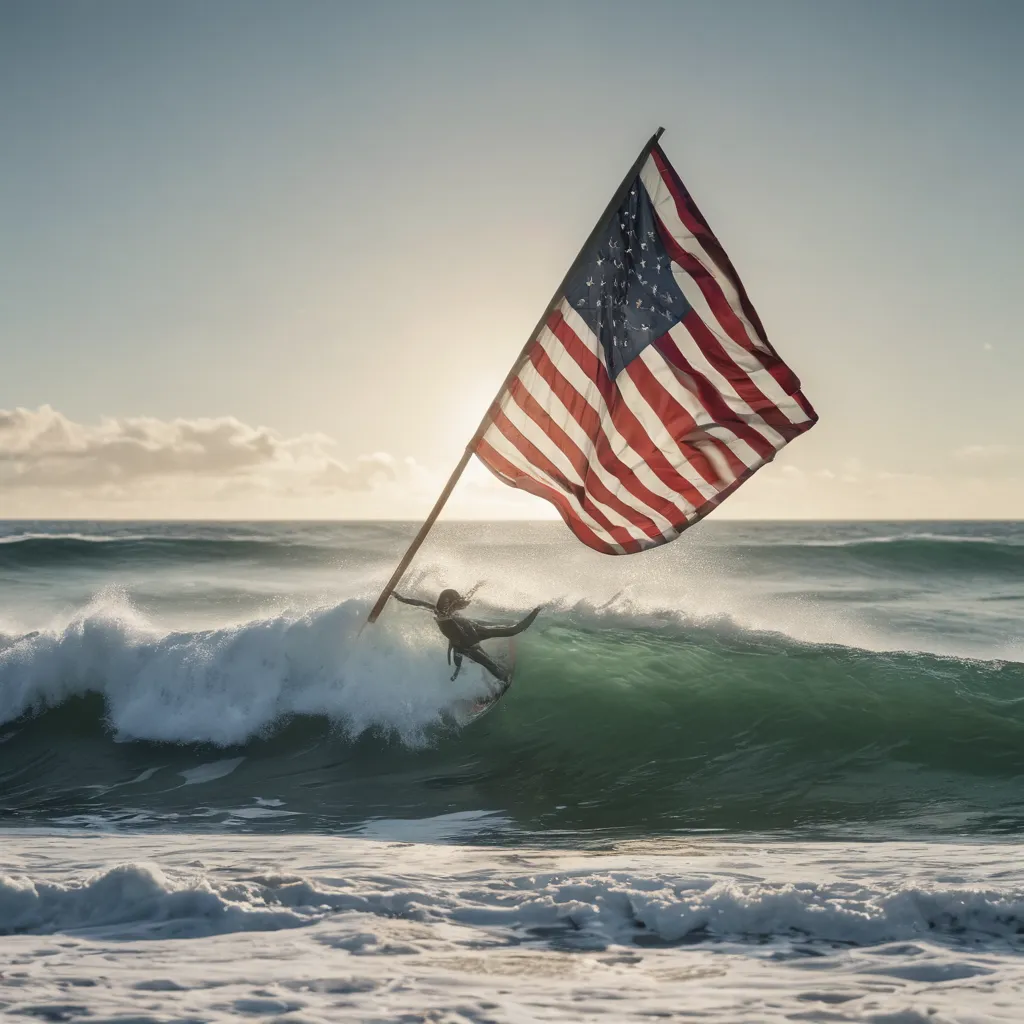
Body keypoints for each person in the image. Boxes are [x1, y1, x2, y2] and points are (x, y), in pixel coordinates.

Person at [393, 585, 541, 683]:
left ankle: (537, 609)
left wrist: (476, 587)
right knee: (493, 667)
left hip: (474, 631)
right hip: (466, 646)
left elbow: (417, 602)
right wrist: (401, 598)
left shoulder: (440, 609)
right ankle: (505, 680)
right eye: (454, 603)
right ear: (448, 603)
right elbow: (418, 603)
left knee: (511, 631)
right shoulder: (442, 611)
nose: (456, 606)